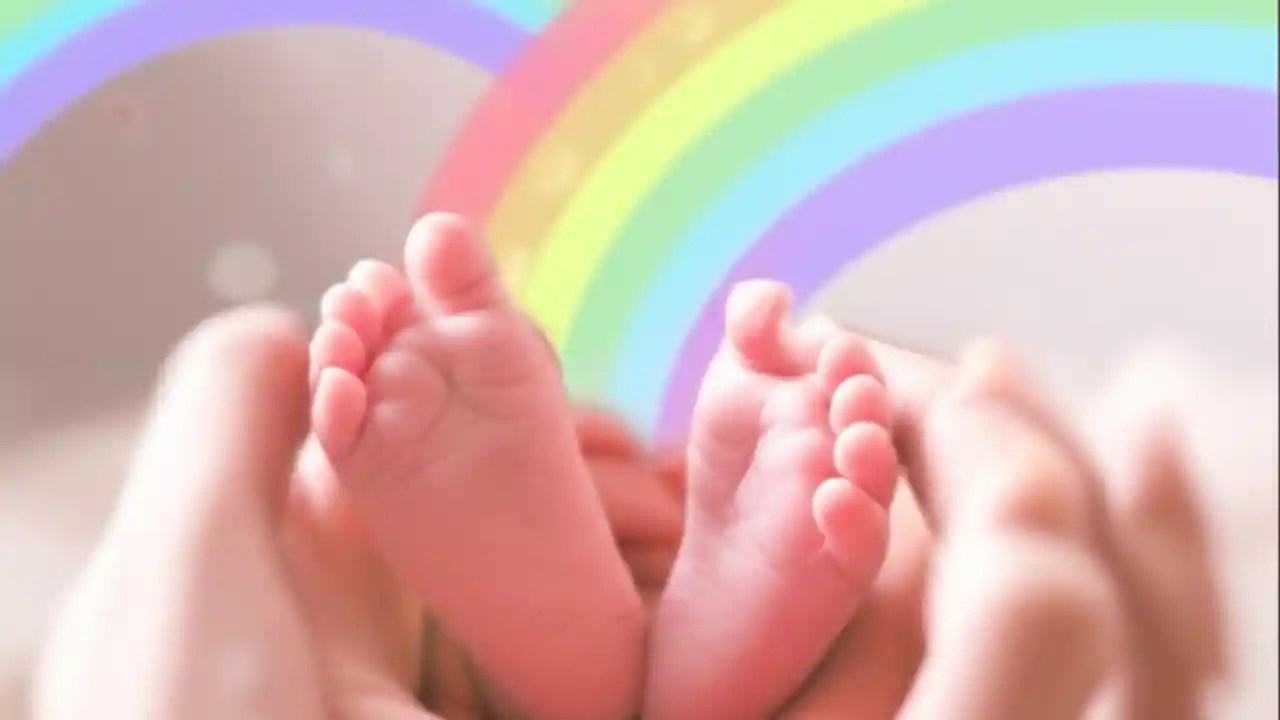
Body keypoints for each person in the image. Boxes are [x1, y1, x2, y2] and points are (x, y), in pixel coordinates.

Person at [33, 221, 1223, 720]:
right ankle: (645, 647)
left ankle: (585, 649)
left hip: (435, 647)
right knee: (977, 527)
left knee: (383, 591)